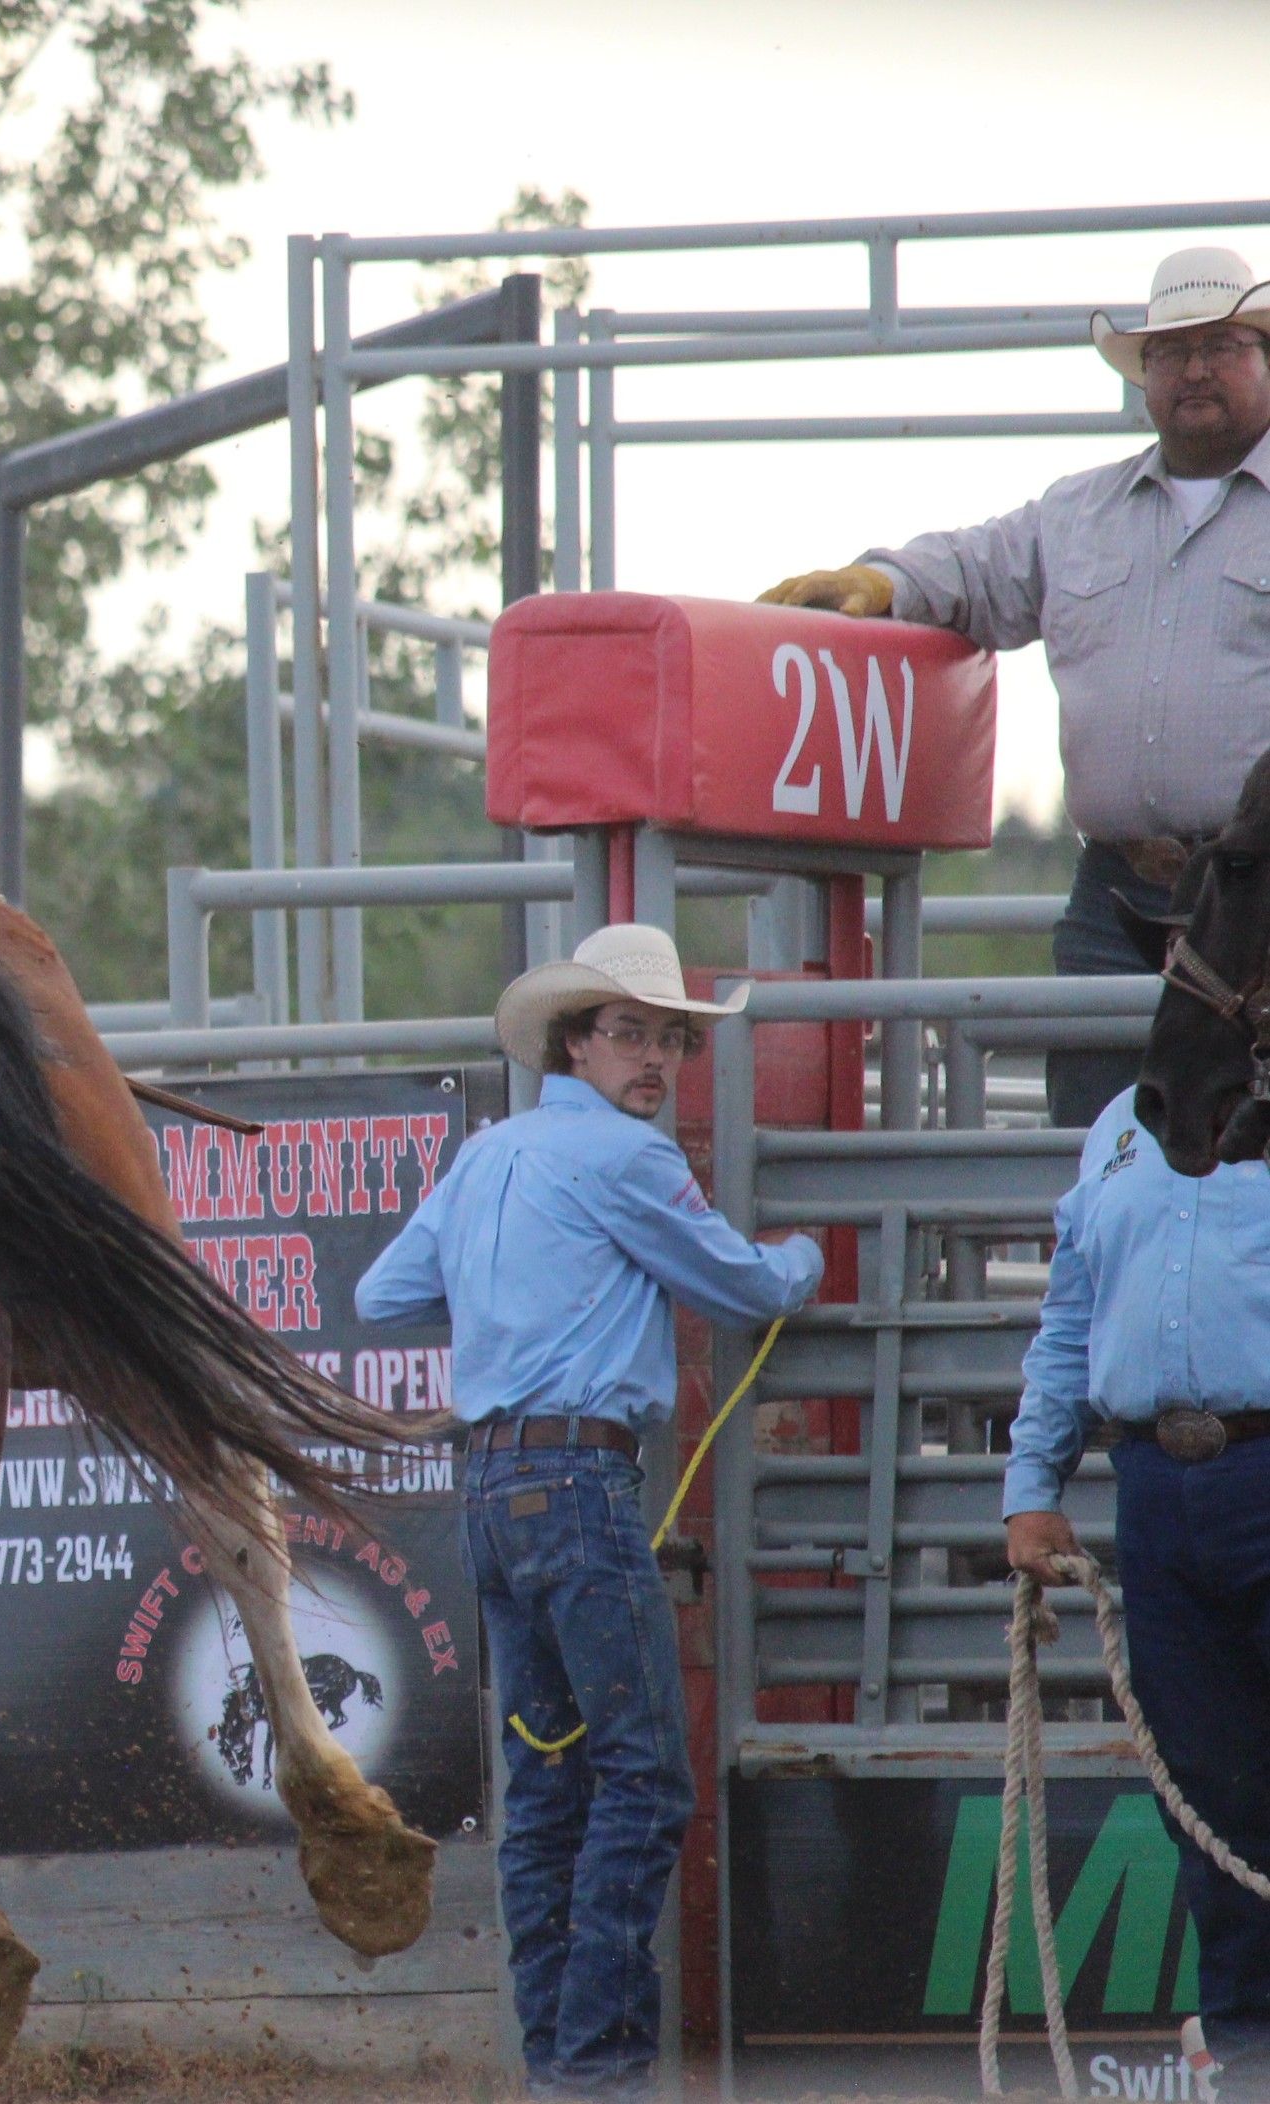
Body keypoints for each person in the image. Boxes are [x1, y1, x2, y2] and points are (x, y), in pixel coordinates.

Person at [356, 925, 823, 2097]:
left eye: (667, 1036)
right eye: (629, 1032)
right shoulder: (630, 1161)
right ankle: (595, 2066)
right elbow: (741, 1282)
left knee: (552, 1790)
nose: (653, 1056)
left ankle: (554, 2056)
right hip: (576, 1487)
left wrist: (504, 1295)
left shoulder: (485, 1160)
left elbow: (382, 1290)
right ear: (573, 1042)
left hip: (495, 1490)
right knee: (642, 1778)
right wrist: (809, 1256)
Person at [760, 247, 1270, 1127]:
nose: (1193, 369)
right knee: (1093, 1148)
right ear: (1142, 375)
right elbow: (974, 565)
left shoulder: (1082, 514)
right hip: (1120, 890)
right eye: (1169, 351)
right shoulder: (1076, 514)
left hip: (1258, 891)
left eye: (1221, 345)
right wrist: (881, 582)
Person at [1005, 1083, 1270, 2094]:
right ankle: (1248, 2057)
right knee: (1204, 1792)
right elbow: (1071, 1312)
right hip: (1159, 1485)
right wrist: (1031, 1484)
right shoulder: (1119, 1121)